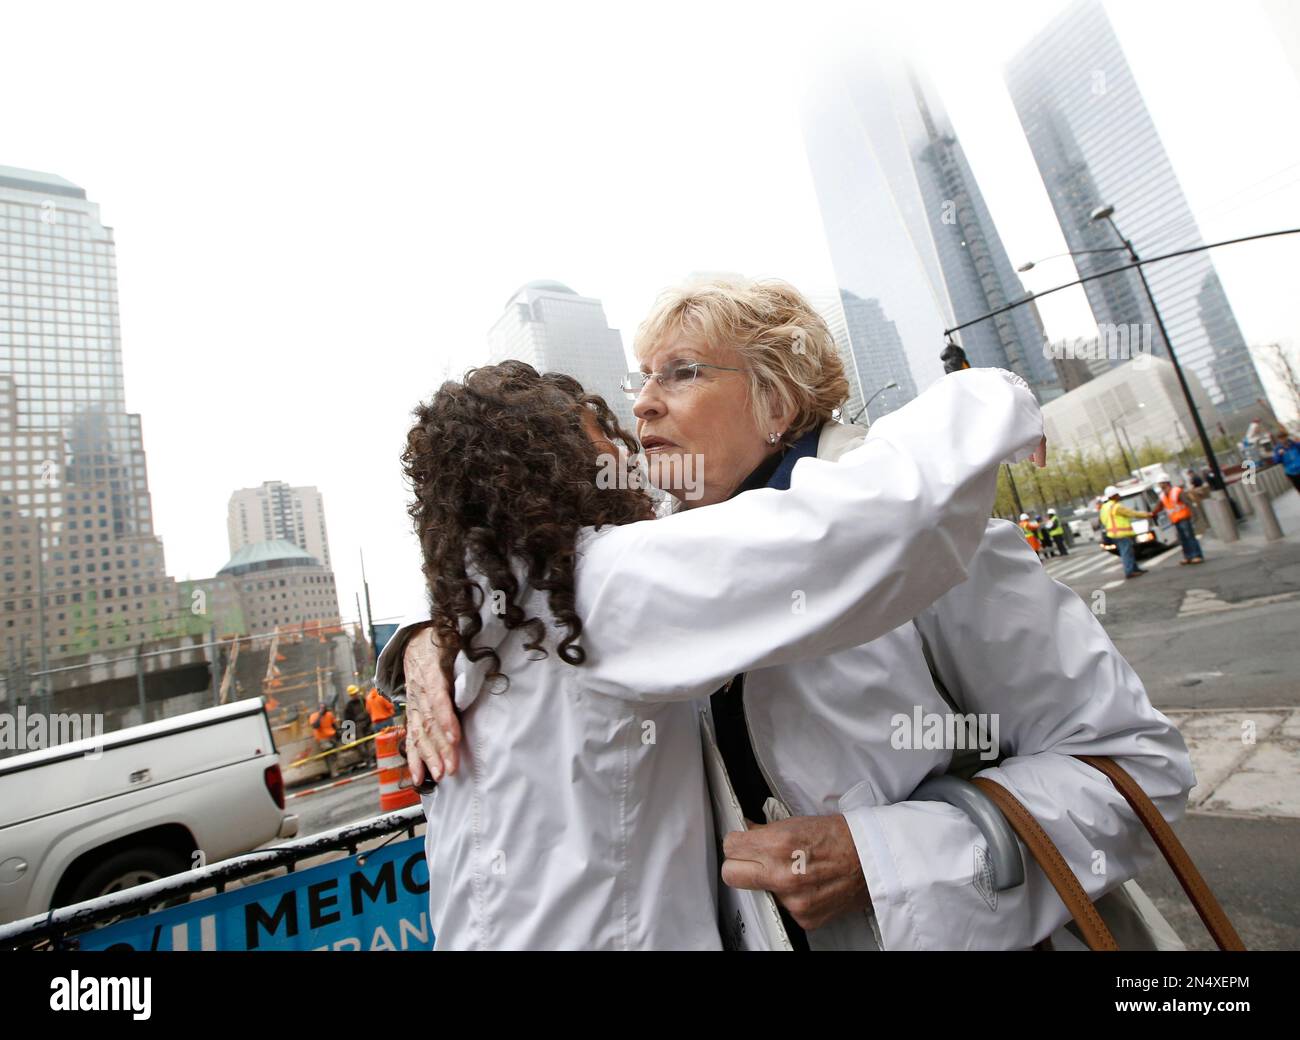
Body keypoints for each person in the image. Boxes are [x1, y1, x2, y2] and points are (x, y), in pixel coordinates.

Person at [390, 277, 1191, 951]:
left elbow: (1135, 771)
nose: (643, 409)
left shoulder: (943, 549)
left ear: (777, 401)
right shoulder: (629, 582)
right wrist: (426, 639)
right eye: (640, 381)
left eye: (681, 374)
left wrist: (883, 857)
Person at [1100, 485, 1153, 579]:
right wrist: (1147, 515)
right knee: (1126, 553)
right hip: (1121, 534)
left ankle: (1134, 569)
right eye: (1117, 494)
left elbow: (1103, 520)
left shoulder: (1105, 507)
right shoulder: (1116, 507)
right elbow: (1132, 513)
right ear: (1114, 495)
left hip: (1113, 534)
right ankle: (1130, 571)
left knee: (1129, 552)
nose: (1119, 495)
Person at [1155, 476, 1204, 565]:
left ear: (1166, 483)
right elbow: (1159, 506)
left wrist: (1194, 515)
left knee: (1189, 537)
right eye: (1159, 484)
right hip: (1175, 520)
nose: (1160, 486)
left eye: (1161, 483)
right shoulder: (1162, 495)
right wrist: (1152, 514)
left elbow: (1187, 503)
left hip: (1184, 517)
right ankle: (1188, 556)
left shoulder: (1177, 491)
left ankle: (1196, 555)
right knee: (1182, 539)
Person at [342, 684, 374, 766]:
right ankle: (368, 760)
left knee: (372, 741)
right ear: (350, 695)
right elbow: (348, 721)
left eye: (356, 693)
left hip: (367, 723)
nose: (355, 695)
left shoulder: (363, 701)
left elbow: (370, 711)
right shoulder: (348, 706)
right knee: (361, 745)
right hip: (357, 727)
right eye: (353, 694)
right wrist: (349, 733)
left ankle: (374, 757)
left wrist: (369, 721)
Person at [309, 701, 341, 779]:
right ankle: (334, 772)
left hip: (332, 737)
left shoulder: (329, 714)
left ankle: (333, 770)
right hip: (322, 739)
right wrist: (320, 715)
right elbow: (315, 726)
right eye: (322, 708)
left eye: (324, 707)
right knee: (329, 755)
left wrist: (338, 733)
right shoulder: (314, 716)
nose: (323, 709)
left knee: (334, 754)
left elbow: (333, 725)